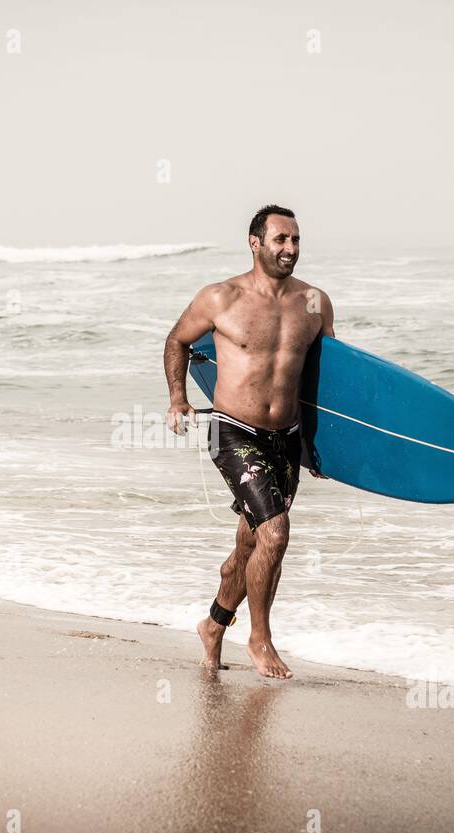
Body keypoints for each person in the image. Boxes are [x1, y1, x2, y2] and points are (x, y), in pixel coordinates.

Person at [163, 204, 335, 678]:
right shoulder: (221, 298)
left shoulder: (315, 303)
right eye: (281, 239)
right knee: (275, 533)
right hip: (232, 430)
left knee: (250, 544)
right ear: (255, 242)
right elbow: (177, 340)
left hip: (287, 437)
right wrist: (178, 398)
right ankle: (259, 638)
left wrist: (321, 445)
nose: (291, 249)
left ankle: (214, 624)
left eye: (296, 240)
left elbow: (327, 382)